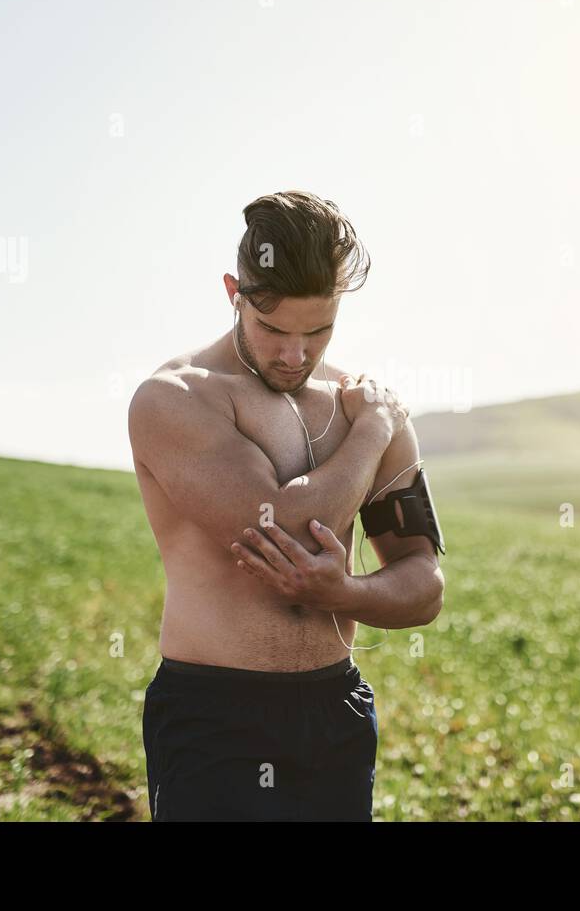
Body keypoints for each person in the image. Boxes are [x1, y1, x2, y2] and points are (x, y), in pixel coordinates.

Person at [128, 190, 446, 820]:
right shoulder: (175, 398)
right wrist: (375, 434)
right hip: (215, 716)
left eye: (318, 331)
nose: (295, 356)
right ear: (233, 292)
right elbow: (281, 530)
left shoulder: (359, 404)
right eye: (273, 329)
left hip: (337, 712)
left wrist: (346, 594)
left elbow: (424, 586)